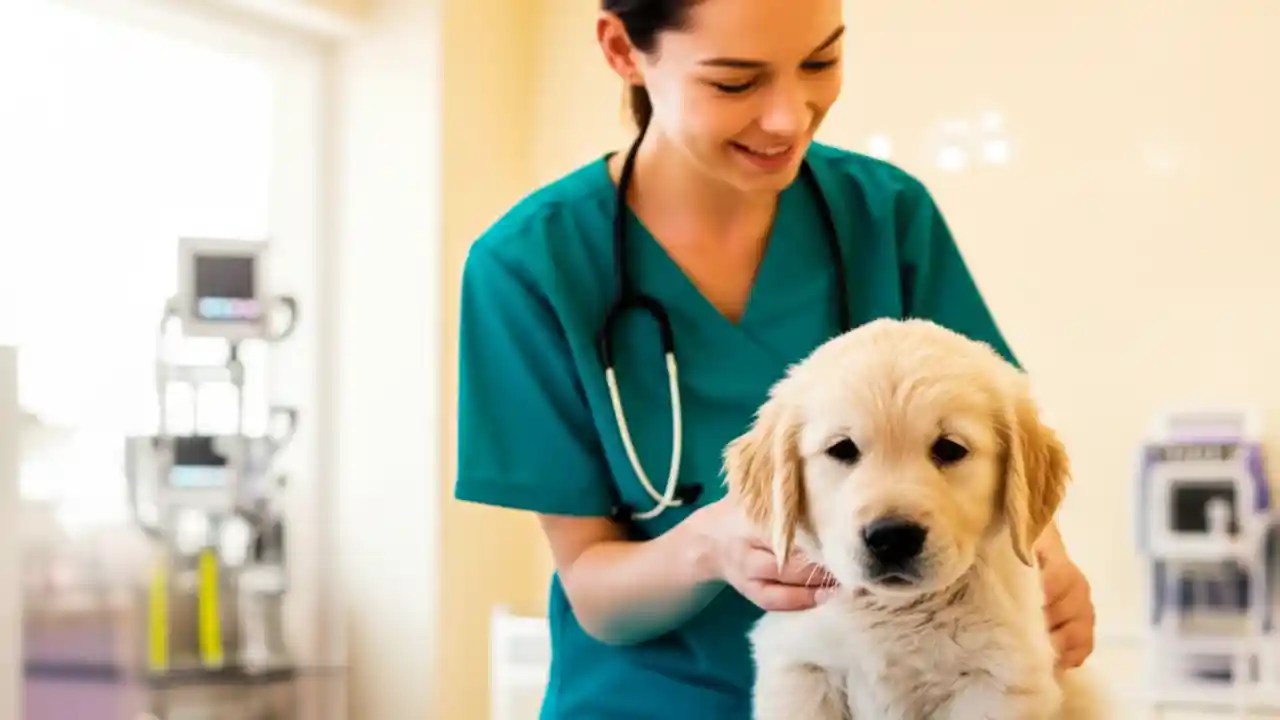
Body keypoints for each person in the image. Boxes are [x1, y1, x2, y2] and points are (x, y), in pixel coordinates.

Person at [454, 0, 1096, 717]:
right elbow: (594, 592)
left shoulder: (885, 217)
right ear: (623, 50)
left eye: (821, 62)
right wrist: (707, 547)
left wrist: (1049, 562)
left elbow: (991, 430)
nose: (791, 117)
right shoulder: (530, 265)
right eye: (735, 82)